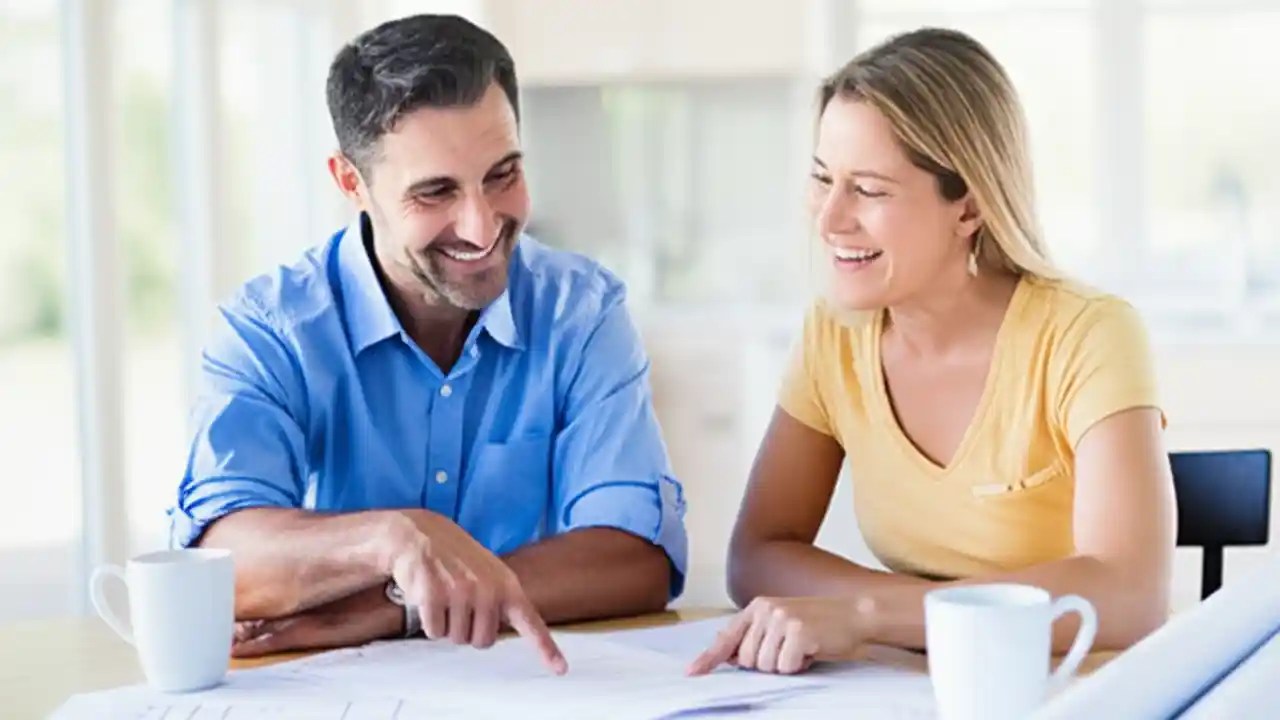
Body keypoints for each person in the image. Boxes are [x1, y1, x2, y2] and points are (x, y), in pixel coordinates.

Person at [168, 14, 687, 672]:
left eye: (502, 175)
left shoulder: (579, 312)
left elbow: (635, 559)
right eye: (435, 191)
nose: (480, 226)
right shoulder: (270, 328)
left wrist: (399, 605)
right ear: (351, 181)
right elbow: (218, 565)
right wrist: (394, 538)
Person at [688, 27, 1175, 676]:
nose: (829, 219)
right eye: (822, 178)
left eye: (868, 189)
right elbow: (757, 555)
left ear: (968, 206)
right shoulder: (834, 335)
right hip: (918, 688)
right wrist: (922, 617)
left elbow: (1130, 593)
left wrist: (866, 614)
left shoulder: (1087, 335)